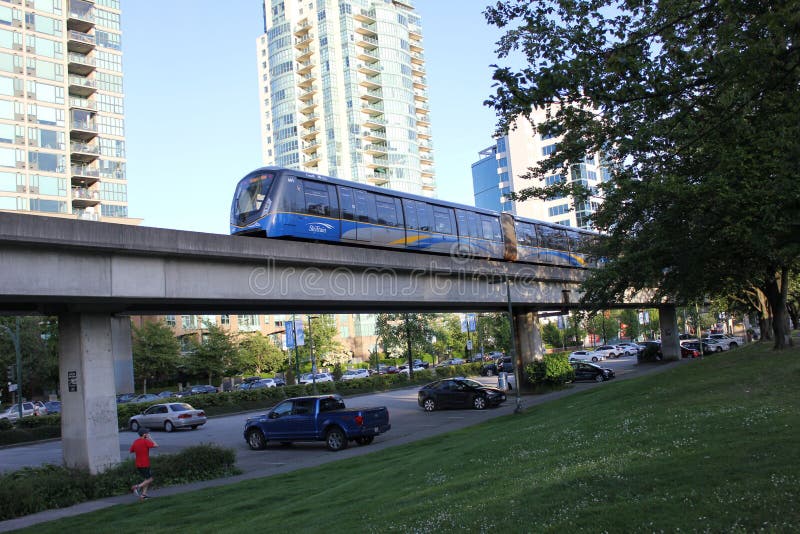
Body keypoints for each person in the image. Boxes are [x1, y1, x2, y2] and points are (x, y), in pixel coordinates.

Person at [129, 428, 158, 501]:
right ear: (145, 434)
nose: (148, 434)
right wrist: (150, 438)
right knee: (150, 479)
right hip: (145, 464)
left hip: (138, 464)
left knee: (146, 479)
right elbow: (156, 445)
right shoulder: (145, 441)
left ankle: (143, 495)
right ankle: (137, 487)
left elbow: (131, 450)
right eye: (147, 433)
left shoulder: (135, 441)